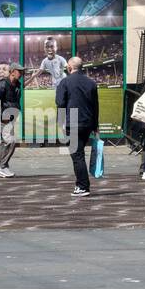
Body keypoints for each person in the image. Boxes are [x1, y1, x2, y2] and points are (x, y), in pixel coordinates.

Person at [56, 57, 98, 197]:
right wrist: (95, 125)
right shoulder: (91, 82)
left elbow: (60, 103)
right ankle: (82, 185)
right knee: (80, 154)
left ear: (69, 67)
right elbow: (95, 106)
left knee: (77, 156)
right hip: (87, 121)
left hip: (72, 120)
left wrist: (60, 123)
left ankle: (82, 186)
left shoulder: (65, 81)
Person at [0, 63, 21, 178]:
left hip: (10, 117)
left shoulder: (17, 84)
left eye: (4, 69)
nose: (1, 71)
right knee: (11, 141)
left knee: (4, 143)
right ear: (12, 72)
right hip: (3, 118)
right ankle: (3, 167)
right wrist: (1, 116)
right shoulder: (2, 83)